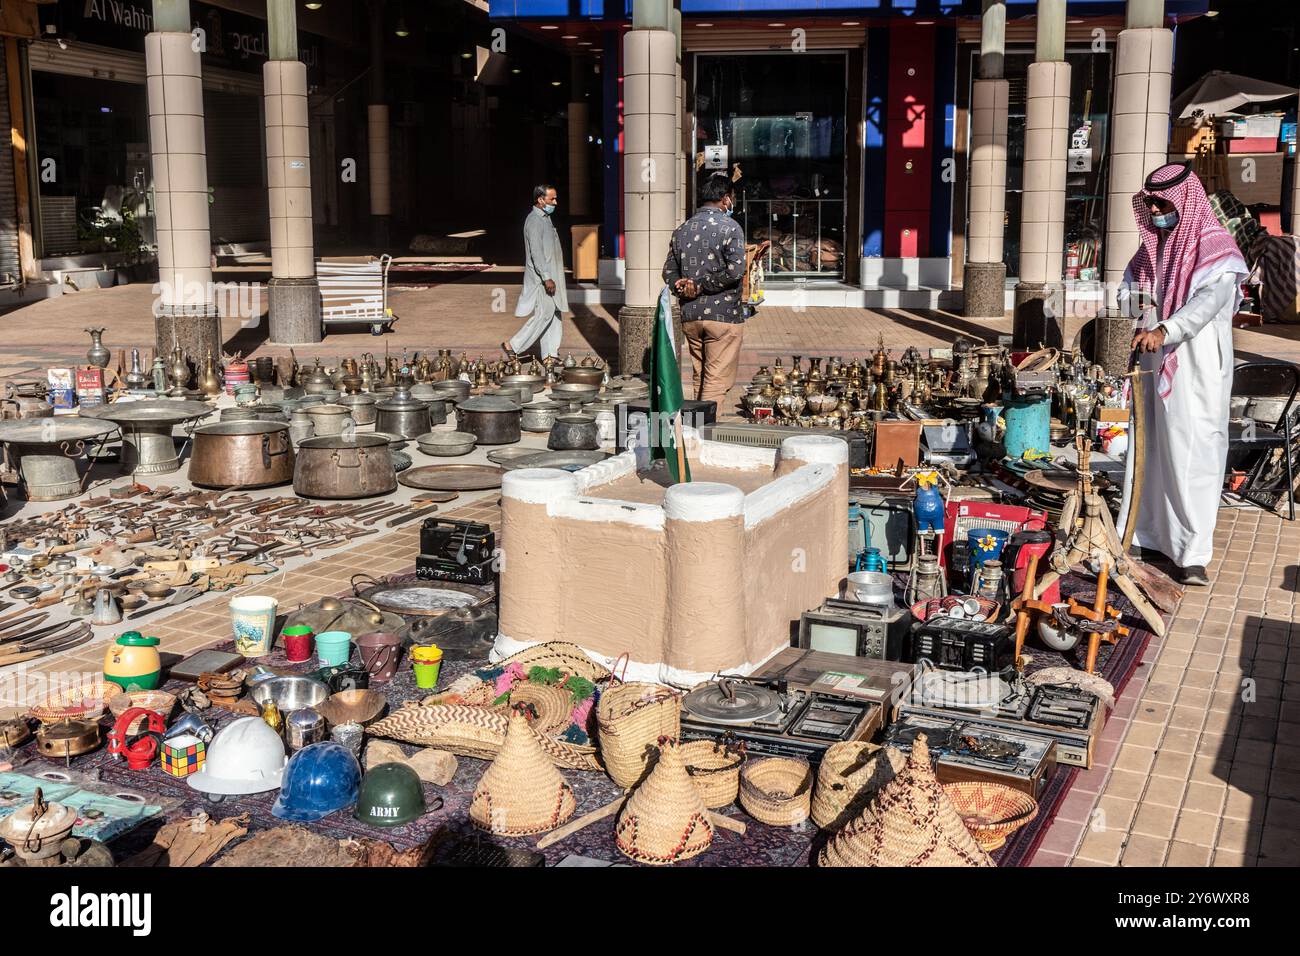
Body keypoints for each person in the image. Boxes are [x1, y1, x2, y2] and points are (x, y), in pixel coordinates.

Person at [1117, 162, 1248, 587]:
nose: (1154, 210)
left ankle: (1192, 553)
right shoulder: (1153, 247)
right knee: (1151, 448)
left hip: (1197, 366)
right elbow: (1129, 288)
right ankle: (1146, 533)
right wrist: (1138, 315)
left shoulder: (1218, 250)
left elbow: (1208, 302)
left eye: (1161, 203)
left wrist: (1166, 328)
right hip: (1156, 361)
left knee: (1193, 454)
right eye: (1150, 203)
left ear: (1184, 201)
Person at [662, 172, 747, 408]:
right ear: (725, 199)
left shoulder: (682, 230)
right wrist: (700, 285)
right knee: (716, 381)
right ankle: (706, 434)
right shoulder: (730, 228)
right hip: (723, 315)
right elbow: (735, 271)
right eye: (732, 198)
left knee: (701, 376)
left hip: (691, 315)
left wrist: (683, 286)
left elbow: (668, 271)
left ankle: (694, 432)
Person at [504, 184, 569, 360]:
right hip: (542, 278)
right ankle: (513, 345)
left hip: (552, 276)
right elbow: (537, 253)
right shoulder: (534, 220)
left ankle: (550, 354)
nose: (555, 202)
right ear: (540, 200)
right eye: (551, 199)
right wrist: (546, 277)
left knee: (554, 313)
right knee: (545, 313)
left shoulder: (545, 218)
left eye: (555, 198)